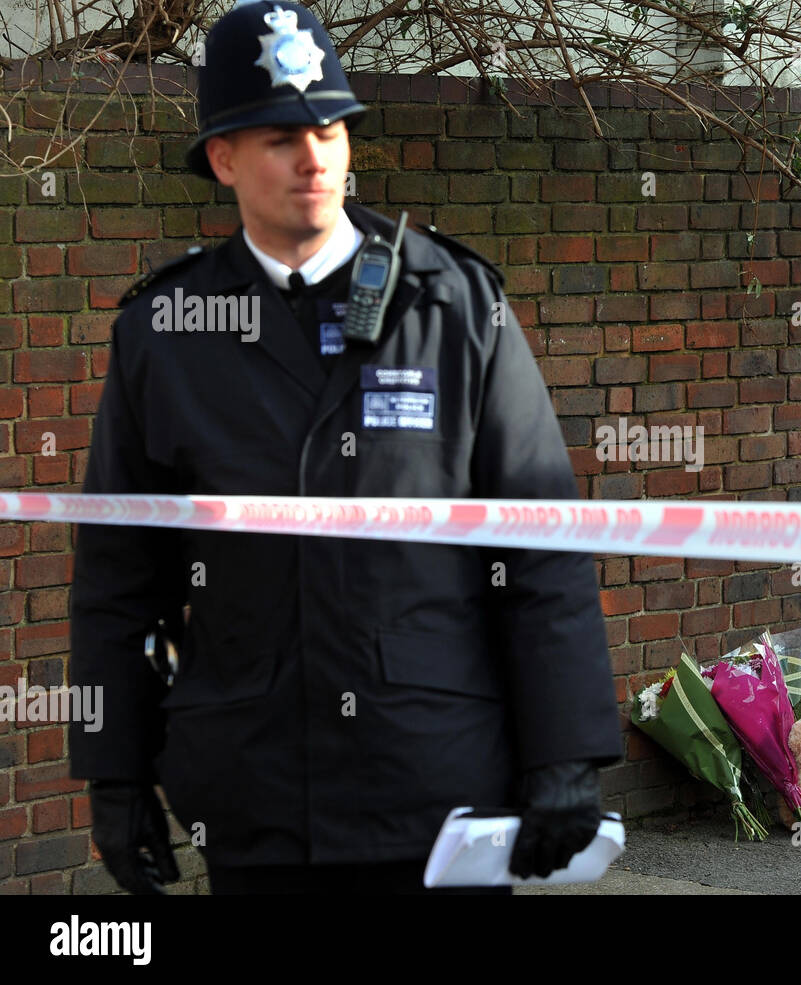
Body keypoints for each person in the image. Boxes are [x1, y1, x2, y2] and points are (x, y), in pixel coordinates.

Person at [68, 0, 622, 894]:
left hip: (436, 783)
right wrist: (116, 770)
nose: (314, 155)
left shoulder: (453, 306)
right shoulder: (164, 332)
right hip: (253, 792)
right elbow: (119, 578)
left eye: (329, 126)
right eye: (282, 135)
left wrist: (566, 749)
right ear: (223, 158)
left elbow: (541, 549)